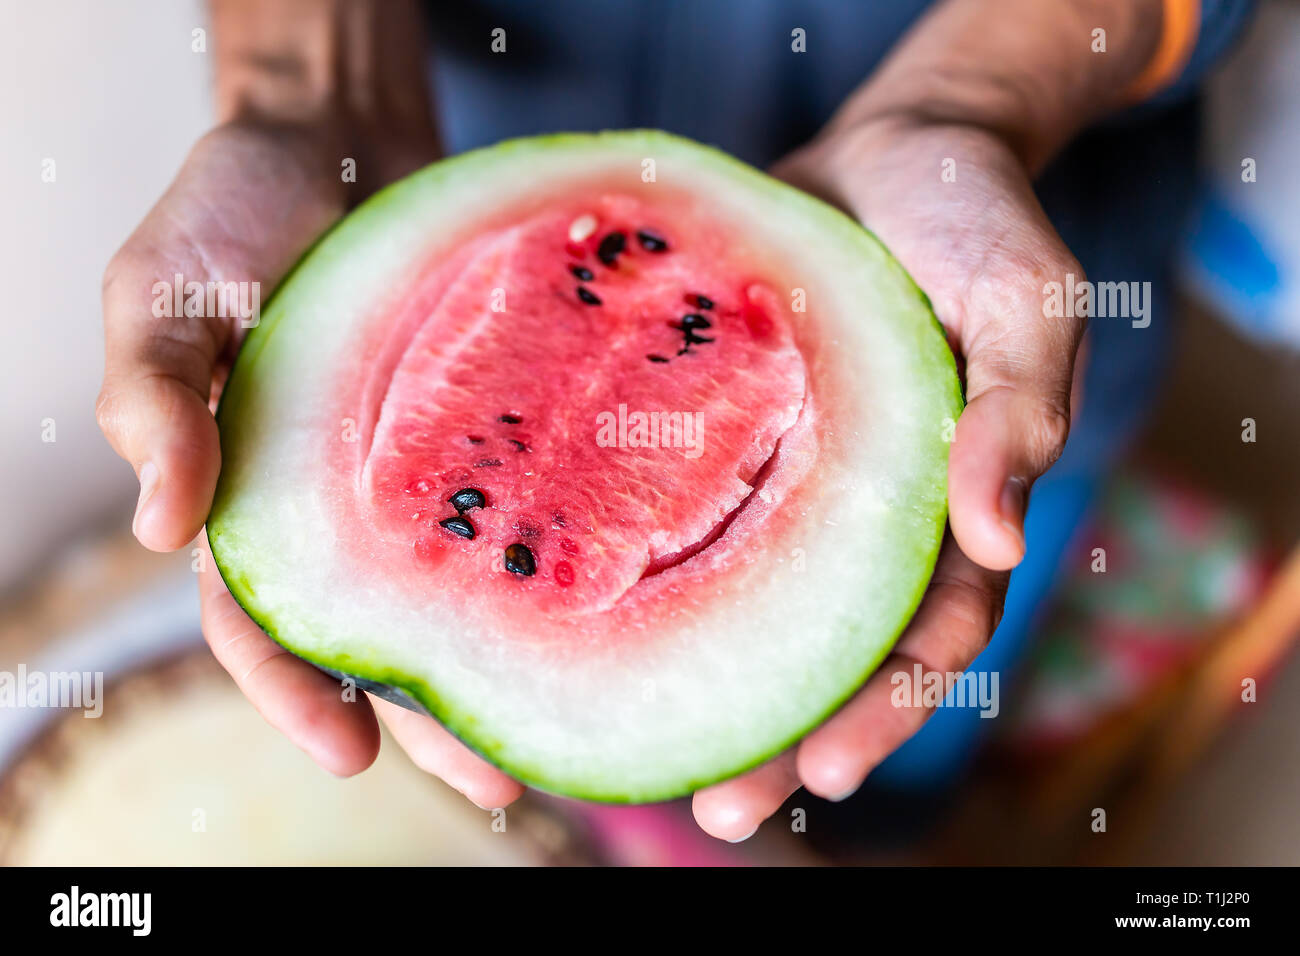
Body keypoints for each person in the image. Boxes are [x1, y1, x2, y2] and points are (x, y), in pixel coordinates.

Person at [95, 0, 1255, 842]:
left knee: (942, 656)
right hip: (461, 125)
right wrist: (314, 94)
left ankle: (888, 823)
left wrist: (970, 97)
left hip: (986, 285)